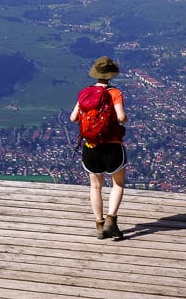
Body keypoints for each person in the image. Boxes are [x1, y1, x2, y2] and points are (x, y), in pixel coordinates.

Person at [70, 55, 127, 239]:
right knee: (118, 183)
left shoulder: (85, 93)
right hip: (112, 146)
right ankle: (111, 221)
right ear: (111, 75)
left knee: (95, 187)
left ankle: (99, 226)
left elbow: (73, 118)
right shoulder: (115, 93)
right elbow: (121, 117)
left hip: (91, 146)